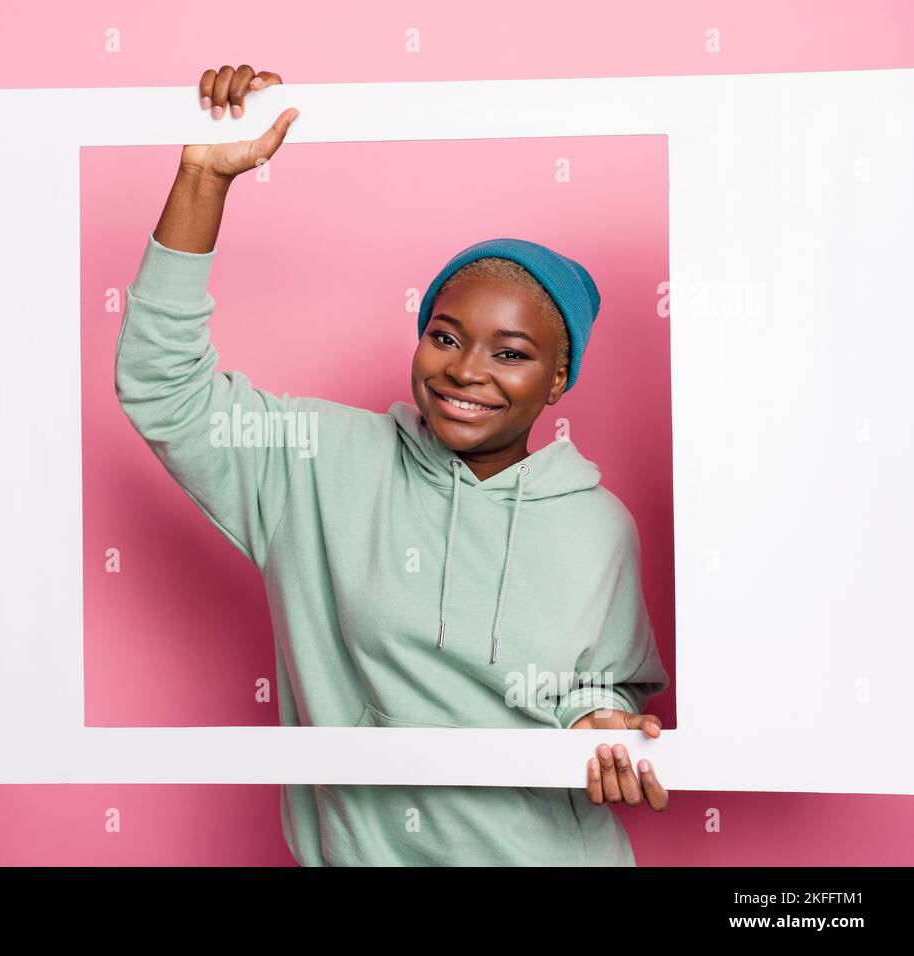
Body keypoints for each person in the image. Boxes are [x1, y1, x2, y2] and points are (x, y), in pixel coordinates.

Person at [115, 64, 671, 866]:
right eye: (445, 336)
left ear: (557, 379)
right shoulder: (315, 463)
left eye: (510, 354)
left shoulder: (597, 524)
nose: (466, 371)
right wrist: (202, 178)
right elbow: (163, 388)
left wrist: (601, 727)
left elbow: (603, 687)